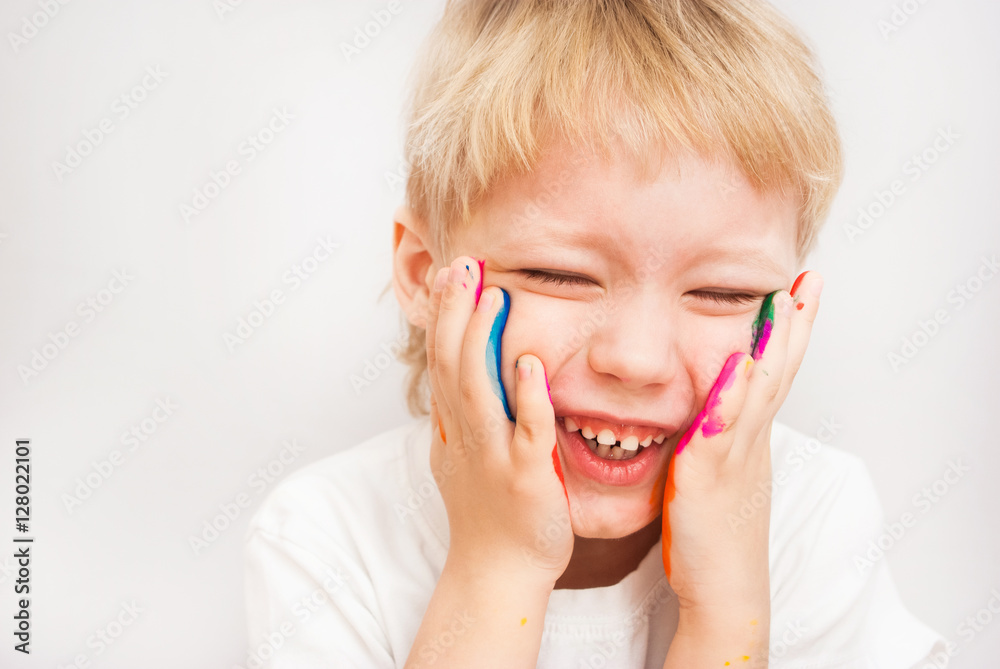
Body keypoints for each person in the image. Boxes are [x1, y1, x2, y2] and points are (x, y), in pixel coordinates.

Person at [244, 1, 948, 666]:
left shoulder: (814, 517)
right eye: (561, 274)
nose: (637, 360)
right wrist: (500, 562)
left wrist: (727, 605)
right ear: (427, 273)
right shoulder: (326, 538)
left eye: (720, 291)